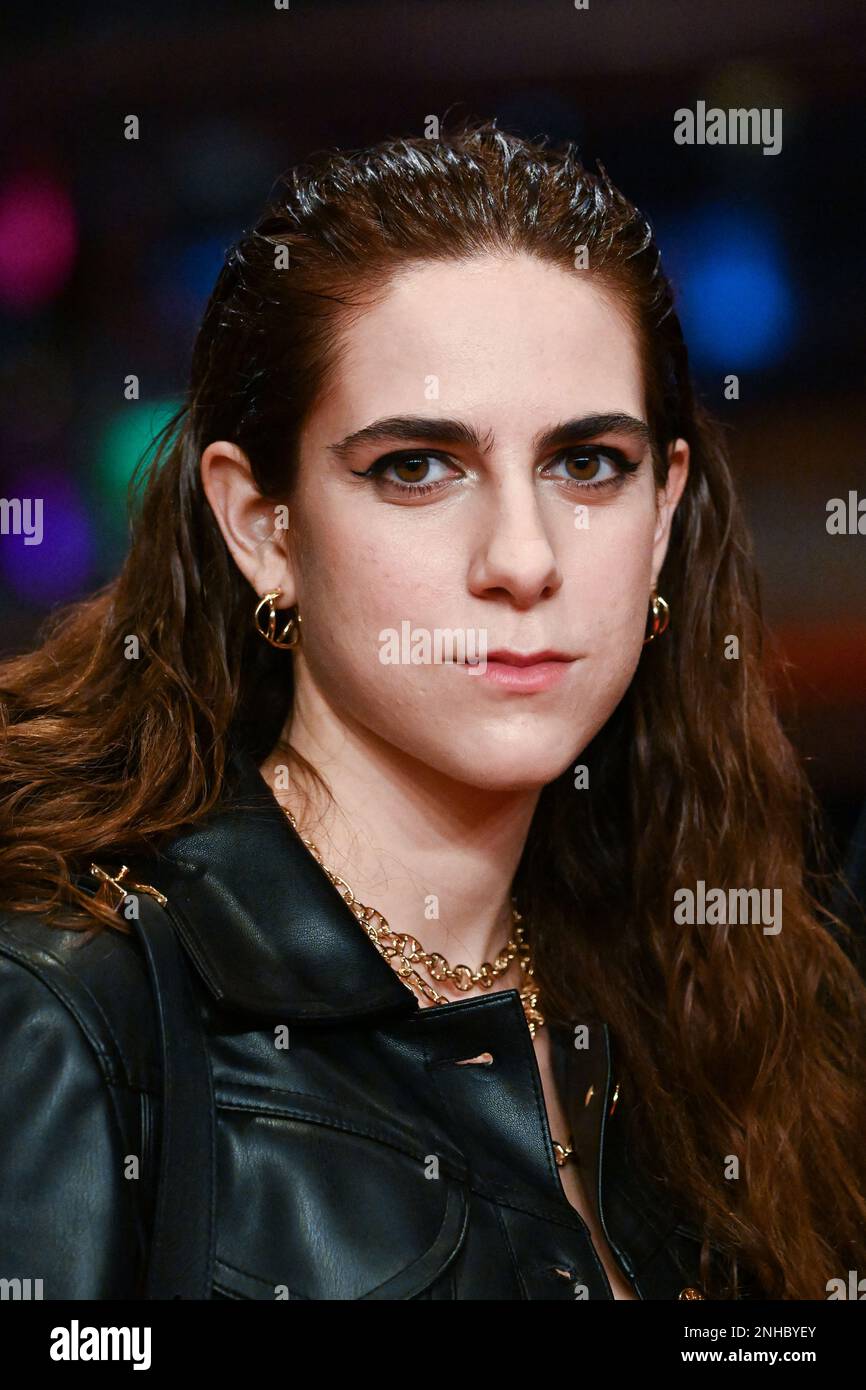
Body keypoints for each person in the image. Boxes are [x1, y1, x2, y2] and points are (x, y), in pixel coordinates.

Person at [1, 120, 864, 1302]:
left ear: (662, 510)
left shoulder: (725, 1005)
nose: (522, 557)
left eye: (586, 464)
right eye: (416, 466)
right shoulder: (73, 1017)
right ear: (263, 527)